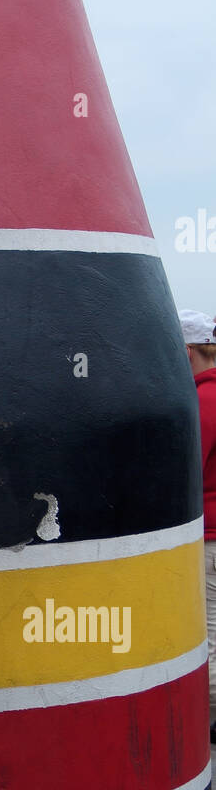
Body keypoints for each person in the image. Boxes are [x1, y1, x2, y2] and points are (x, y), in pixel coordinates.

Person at [179, 309, 216, 743]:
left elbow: (191, 470)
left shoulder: (203, 402)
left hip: (208, 538)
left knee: (208, 638)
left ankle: (198, 731)